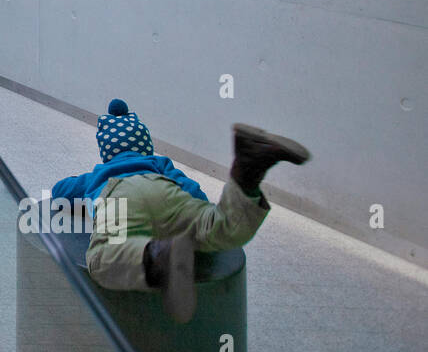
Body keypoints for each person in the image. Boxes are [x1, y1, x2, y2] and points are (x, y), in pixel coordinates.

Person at [51, 100, 311, 323]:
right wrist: (196, 214)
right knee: (217, 226)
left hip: (119, 196)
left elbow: (60, 191)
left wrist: (83, 194)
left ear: (107, 152)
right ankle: (248, 169)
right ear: (145, 144)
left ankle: (158, 256)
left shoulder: (97, 174)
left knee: (103, 256)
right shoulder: (160, 163)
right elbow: (194, 192)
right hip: (165, 189)